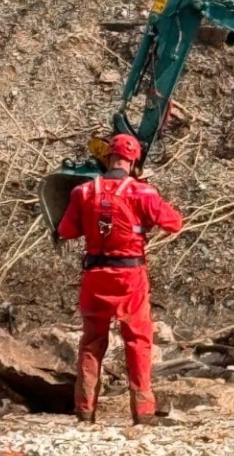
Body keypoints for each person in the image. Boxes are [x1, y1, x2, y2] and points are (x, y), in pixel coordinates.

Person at [57, 133, 183, 425]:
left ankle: (85, 411)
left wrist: (99, 223)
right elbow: (174, 223)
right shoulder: (142, 193)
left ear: (107, 157)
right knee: (137, 341)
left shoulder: (83, 192)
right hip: (129, 277)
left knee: (91, 342)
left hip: (95, 276)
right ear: (134, 160)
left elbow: (65, 231)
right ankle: (143, 413)